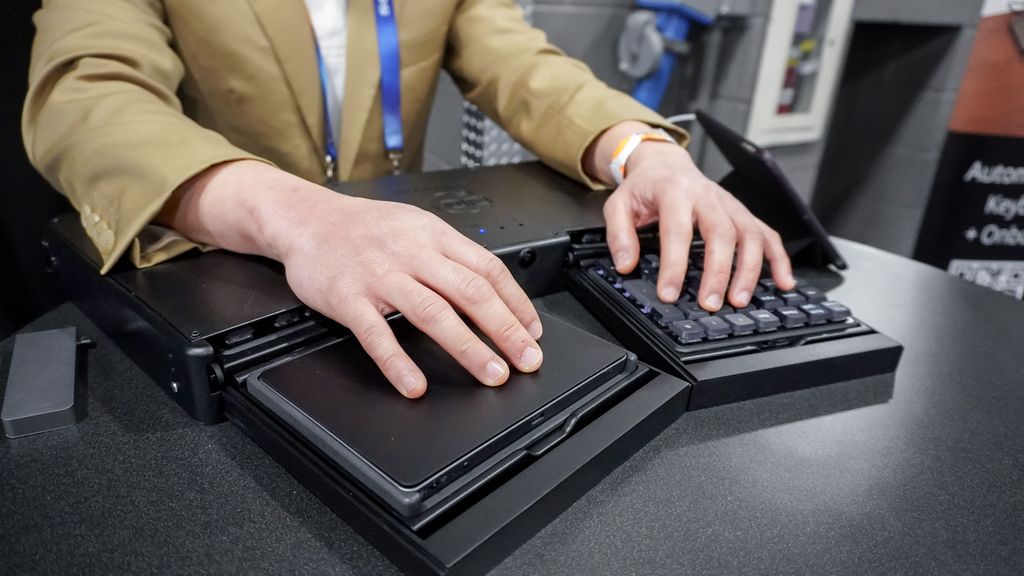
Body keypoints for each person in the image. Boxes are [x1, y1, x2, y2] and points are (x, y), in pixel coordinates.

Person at [23, 0, 794, 398]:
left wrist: (641, 150)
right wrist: (301, 216)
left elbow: (518, 60)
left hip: (397, 271)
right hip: (223, 270)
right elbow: (87, 94)